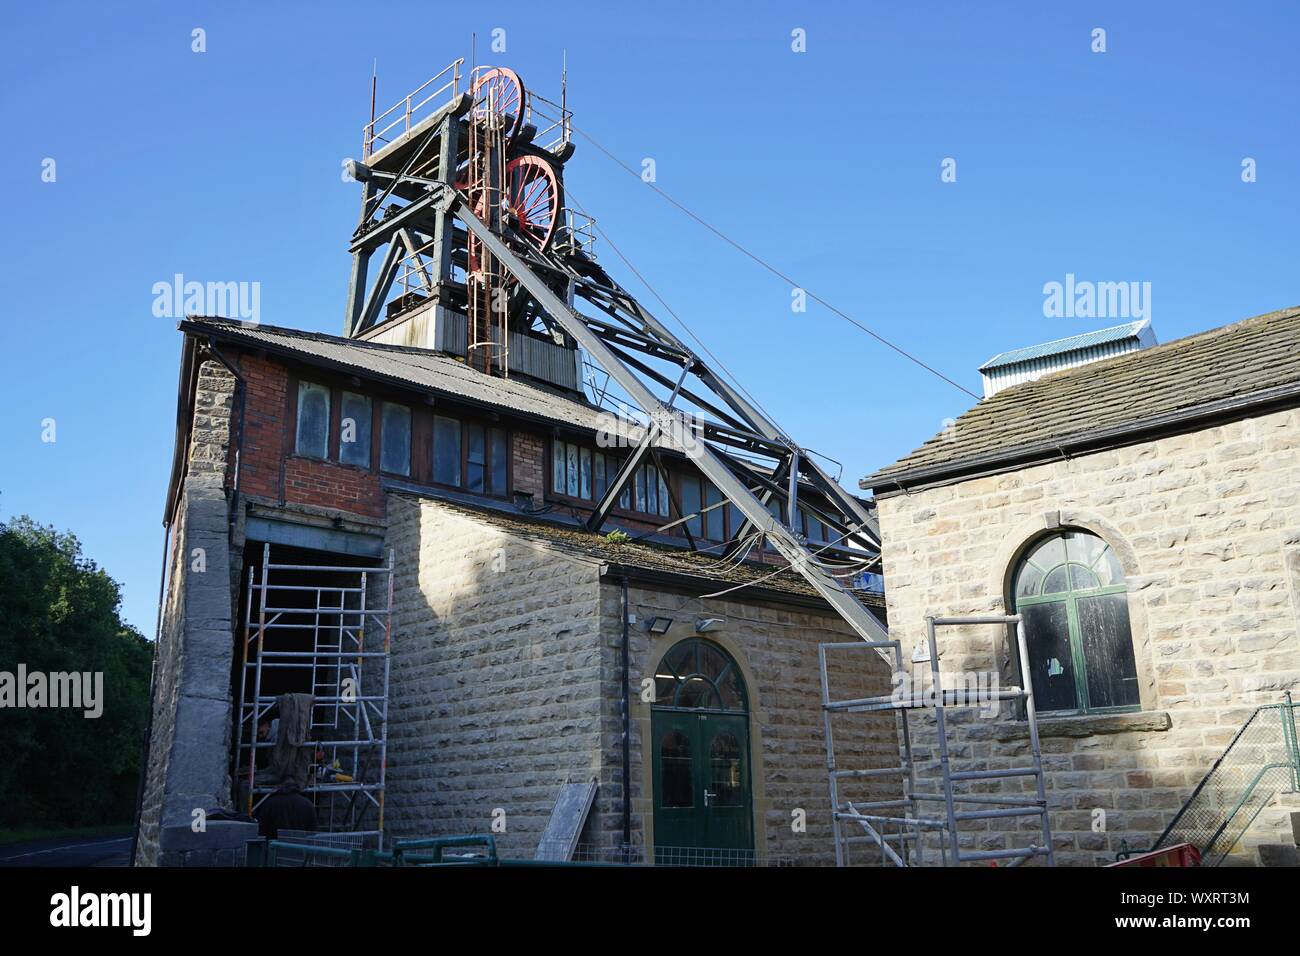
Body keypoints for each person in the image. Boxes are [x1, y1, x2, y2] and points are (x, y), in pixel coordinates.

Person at [255, 775, 318, 840]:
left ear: (280, 785)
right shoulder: (307, 803)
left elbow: (262, 828)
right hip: (300, 845)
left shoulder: (270, 802)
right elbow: (312, 830)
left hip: (275, 845)